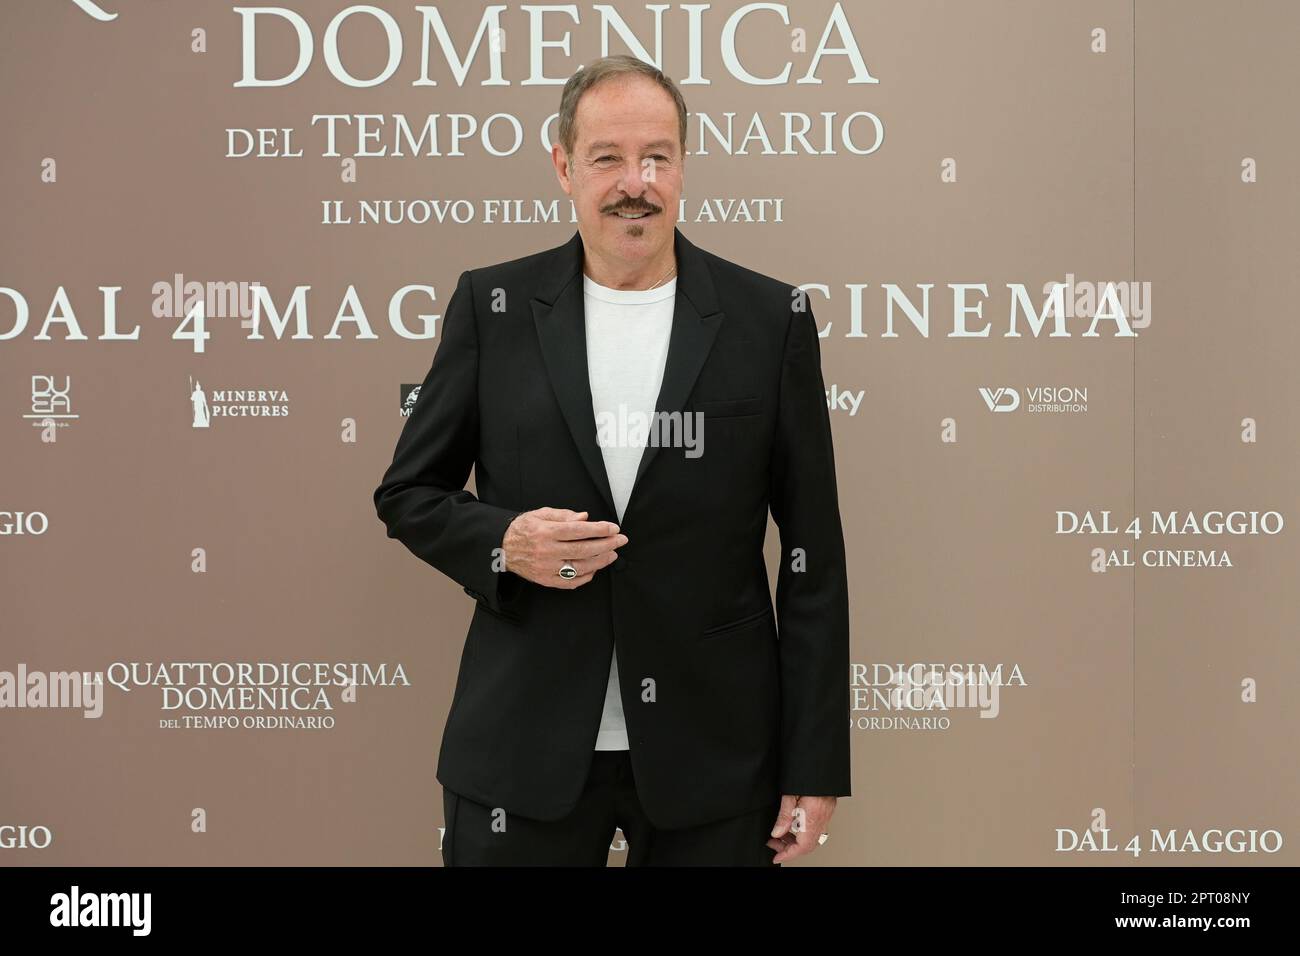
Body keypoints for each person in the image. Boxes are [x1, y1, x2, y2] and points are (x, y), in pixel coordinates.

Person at [374, 54, 850, 866]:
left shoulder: (770, 319)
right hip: (522, 753)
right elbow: (409, 492)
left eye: (658, 156)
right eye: (608, 158)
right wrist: (505, 542)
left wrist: (814, 765)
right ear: (563, 165)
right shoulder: (494, 308)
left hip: (717, 759)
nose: (637, 181)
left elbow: (813, 561)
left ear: (684, 165)